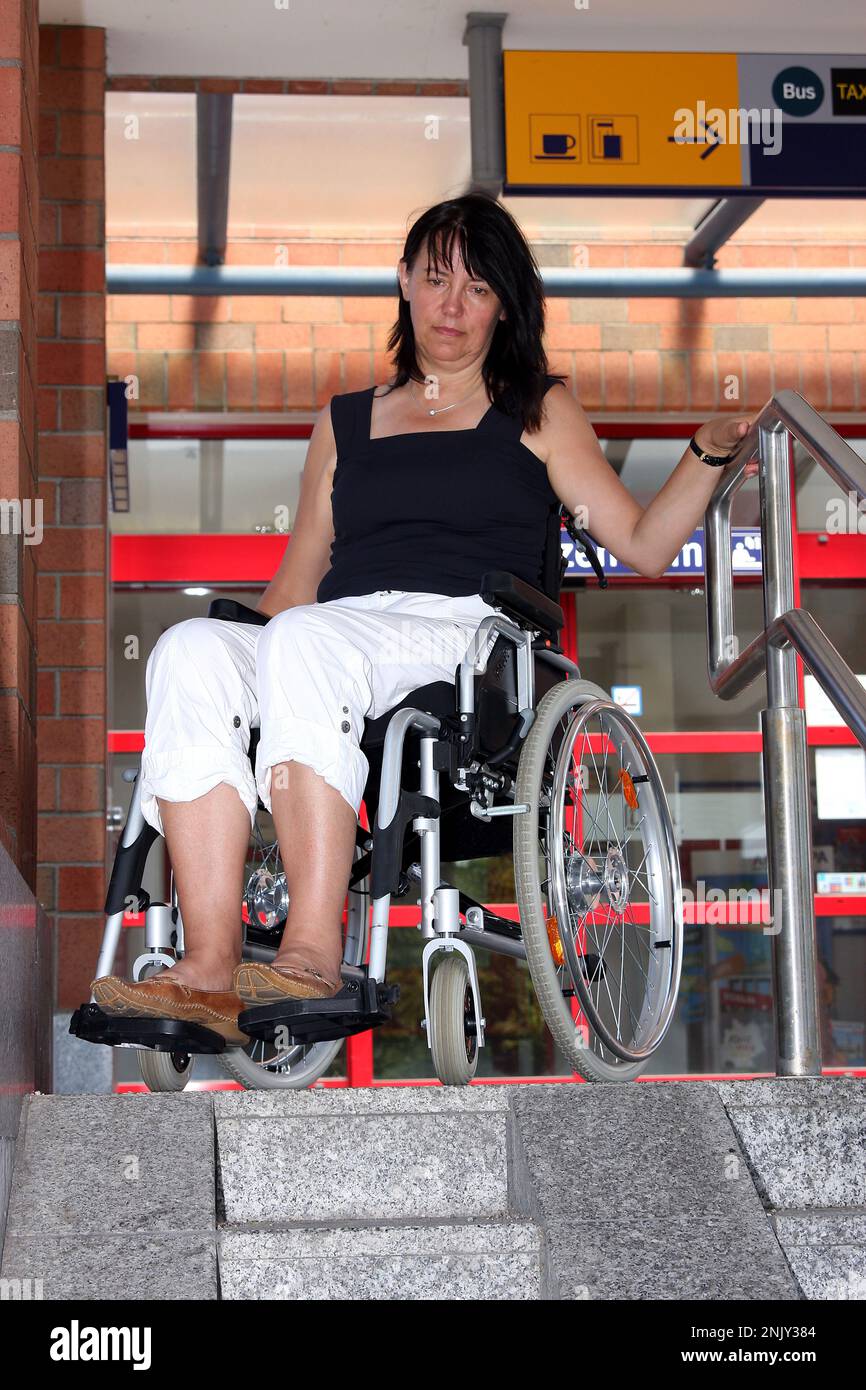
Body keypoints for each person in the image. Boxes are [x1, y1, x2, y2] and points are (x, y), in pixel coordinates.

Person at [92, 190, 757, 1045]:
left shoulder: (537, 411)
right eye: (437, 279)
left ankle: (311, 953)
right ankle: (210, 967)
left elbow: (642, 543)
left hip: (466, 636)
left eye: (478, 289)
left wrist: (703, 454)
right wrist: (231, 666)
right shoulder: (343, 422)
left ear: (505, 304)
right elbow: (296, 586)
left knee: (306, 642)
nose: (453, 306)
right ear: (403, 280)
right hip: (334, 633)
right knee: (188, 650)